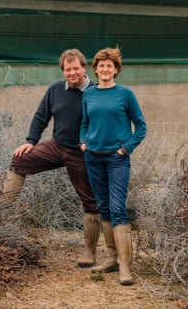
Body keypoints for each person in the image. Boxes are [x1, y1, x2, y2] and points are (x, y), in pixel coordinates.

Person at [2, 48, 101, 268]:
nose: (72, 73)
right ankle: (1, 219)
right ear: (63, 71)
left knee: (90, 200)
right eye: (67, 69)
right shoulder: (55, 89)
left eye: (76, 68)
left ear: (84, 68)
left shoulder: (97, 91)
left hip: (82, 152)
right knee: (19, 161)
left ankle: (89, 252)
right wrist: (31, 140)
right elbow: (41, 116)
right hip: (56, 145)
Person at [79, 47, 147, 285]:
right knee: (104, 207)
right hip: (93, 158)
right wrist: (83, 142)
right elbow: (85, 122)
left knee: (118, 208)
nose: (105, 69)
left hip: (117, 159)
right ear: (95, 69)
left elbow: (141, 127)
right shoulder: (88, 95)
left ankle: (125, 266)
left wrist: (125, 149)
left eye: (110, 66)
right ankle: (111, 257)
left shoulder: (125, 94)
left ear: (116, 70)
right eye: (101, 65)